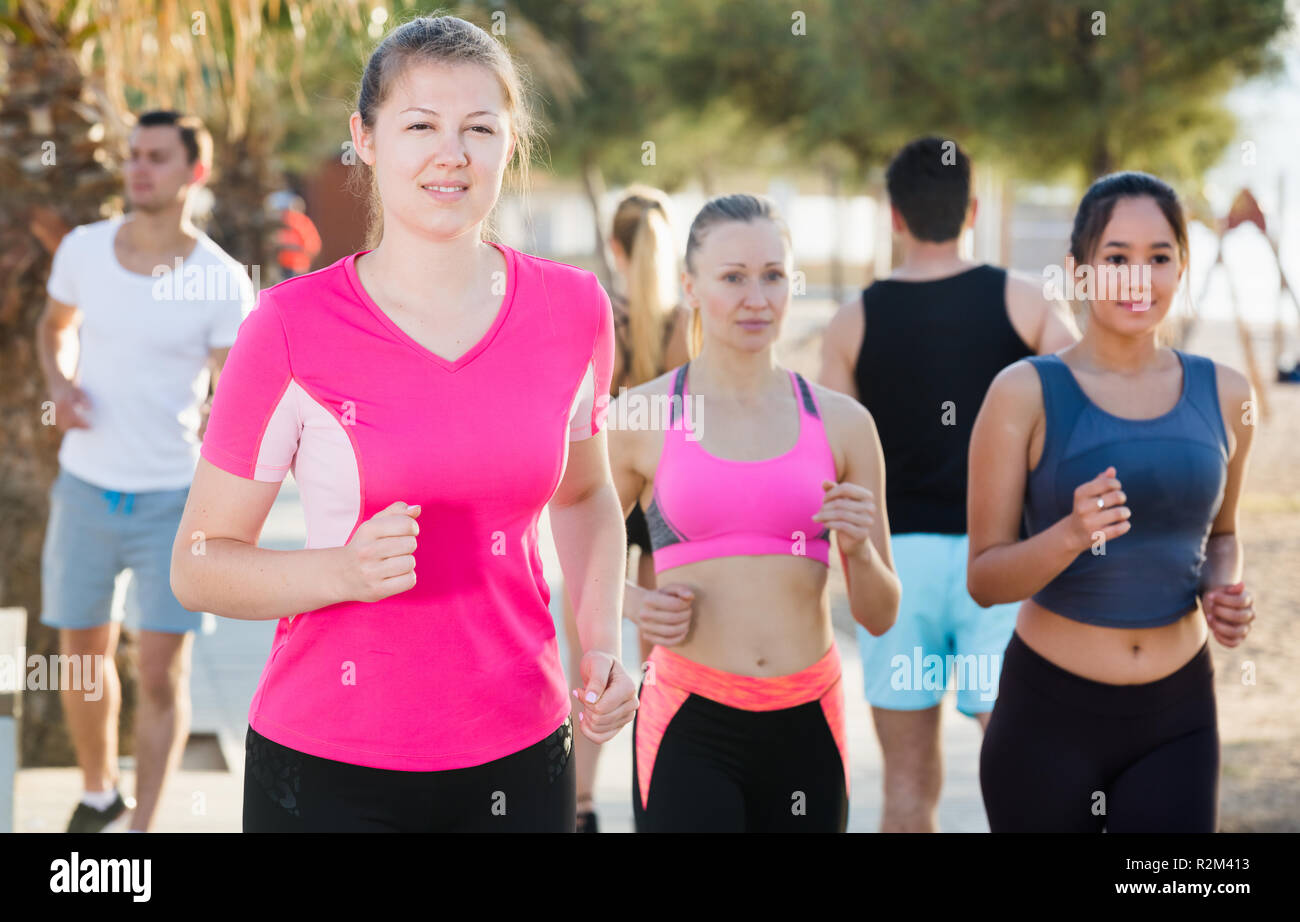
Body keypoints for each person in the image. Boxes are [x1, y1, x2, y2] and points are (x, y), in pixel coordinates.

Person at [170, 15, 637, 833]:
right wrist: (340, 572)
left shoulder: (575, 311)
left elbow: (586, 494)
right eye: (420, 125)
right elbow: (199, 566)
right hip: (328, 768)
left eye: (479, 129)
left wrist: (600, 642)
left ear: (510, 142)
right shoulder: (287, 328)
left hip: (523, 757)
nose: (450, 153)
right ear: (366, 139)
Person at [969, 171, 1257, 832]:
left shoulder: (1228, 395)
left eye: (1159, 257)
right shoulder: (1023, 392)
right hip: (1048, 716)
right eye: (1116, 258)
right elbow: (984, 578)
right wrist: (1069, 534)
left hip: (1179, 717)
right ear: (1077, 272)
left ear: (1182, 267)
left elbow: (1223, 535)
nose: (1139, 278)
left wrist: (1223, 587)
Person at [609, 193, 901, 832]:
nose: (756, 298)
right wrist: (627, 601)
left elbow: (880, 614)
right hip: (689, 719)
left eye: (773, 276)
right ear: (690, 286)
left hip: (809, 720)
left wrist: (858, 551)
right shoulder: (641, 417)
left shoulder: (845, 424)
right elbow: (571, 546)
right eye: (733, 278)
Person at [819, 136, 1078, 832]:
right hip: (999, 564)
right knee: (1027, 781)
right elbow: (1088, 409)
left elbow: (834, 462)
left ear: (893, 216)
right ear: (972, 210)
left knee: (907, 787)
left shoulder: (852, 323)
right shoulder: (1024, 302)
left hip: (896, 568)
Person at [35, 110, 255, 832]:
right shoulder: (84, 250)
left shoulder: (222, 281)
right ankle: (99, 793)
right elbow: (54, 326)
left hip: (172, 500)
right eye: (133, 155)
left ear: (194, 171)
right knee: (81, 656)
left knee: (161, 672)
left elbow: (236, 400)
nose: (138, 168)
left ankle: (142, 830)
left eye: (157, 157)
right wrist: (59, 386)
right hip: (85, 489)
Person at [562, 184, 690, 833]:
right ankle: (655, 785)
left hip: (603, 482)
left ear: (614, 244)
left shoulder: (598, 312)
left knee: (594, 656)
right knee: (656, 658)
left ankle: (581, 803)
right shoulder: (678, 325)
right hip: (662, 488)